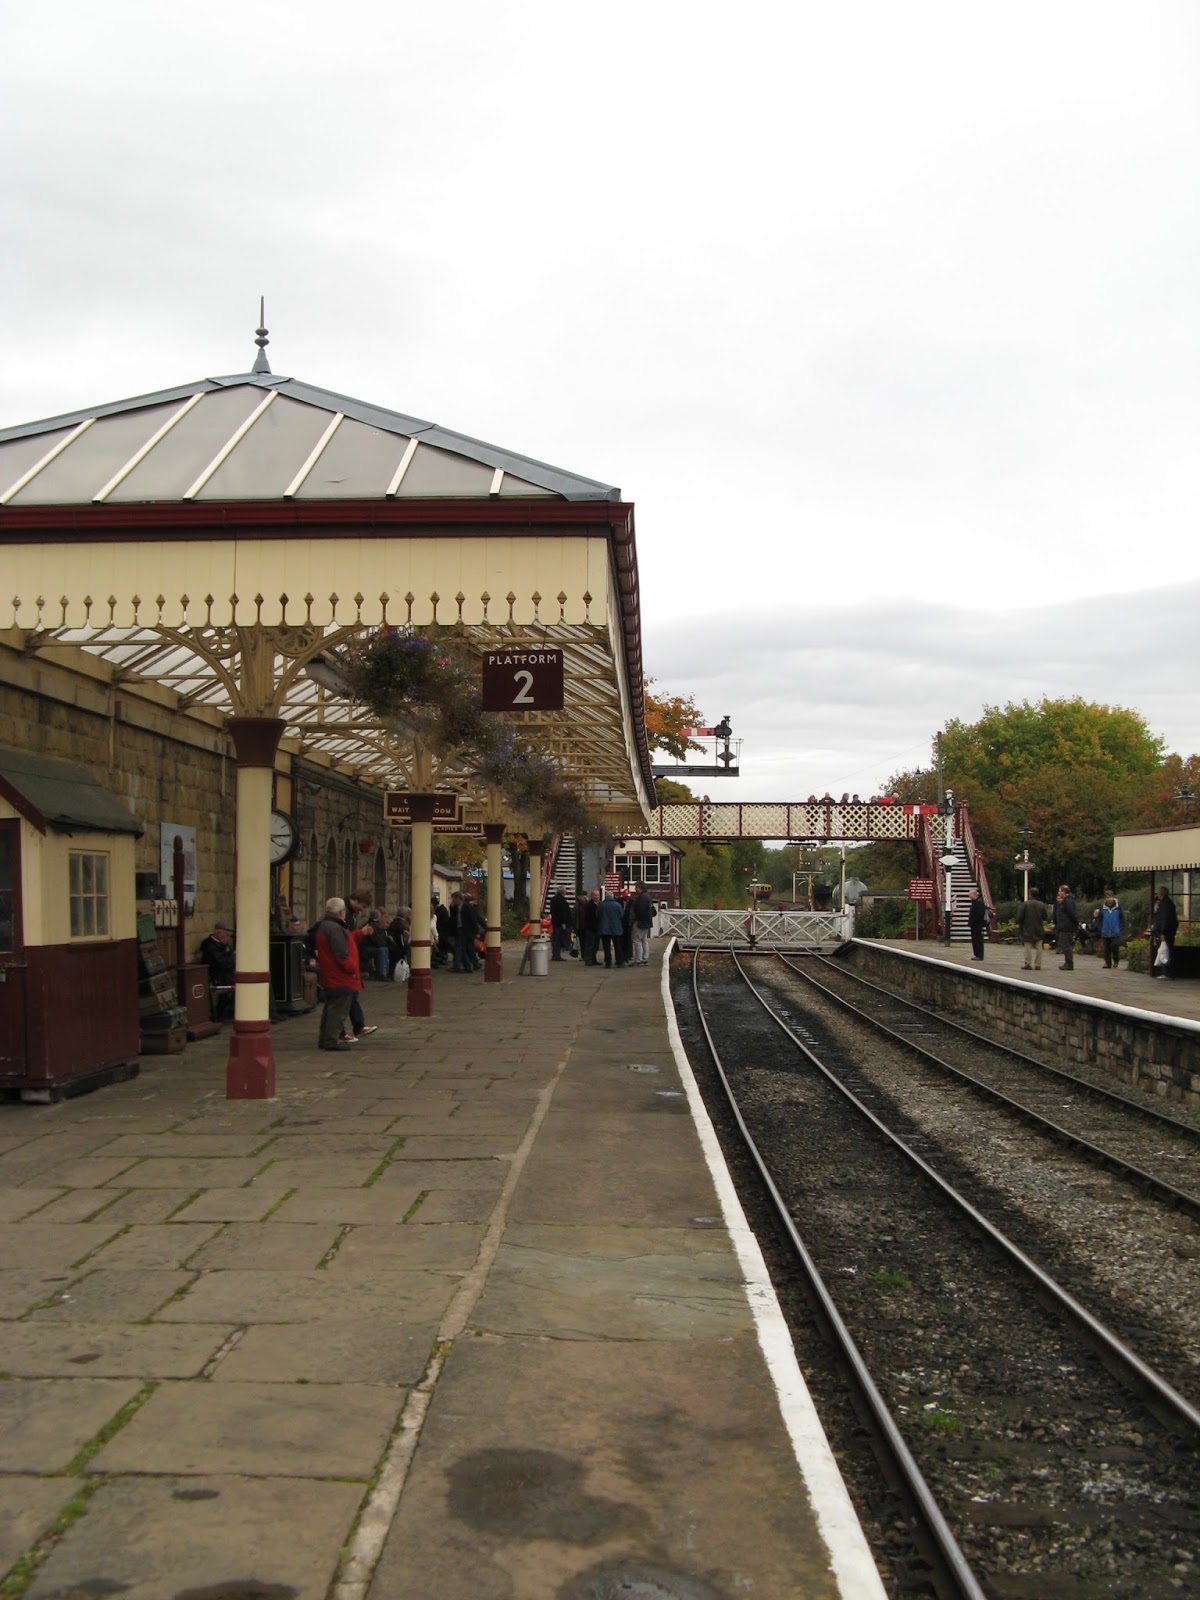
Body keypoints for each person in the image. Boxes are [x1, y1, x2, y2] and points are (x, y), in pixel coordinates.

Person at [314, 897, 366, 1050]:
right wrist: (352, 968)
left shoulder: (327, 926)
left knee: (330, 1008)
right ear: (341, 912)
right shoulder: (335, 928)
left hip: (331, 974)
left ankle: (325, 1038)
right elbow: (341, 953)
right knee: (338, 1010)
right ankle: (331, 1040)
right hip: (339, 976)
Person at [341, 891, 378, 1039]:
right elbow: (345, 939)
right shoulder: (345, 915)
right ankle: (345, 1030)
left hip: (350, 959)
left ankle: (358, 1026)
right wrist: (361, 933)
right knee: (343, 999)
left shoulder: (350, 914)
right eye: (362, 906)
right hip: (345, 961)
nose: (362, 910)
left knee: (351, 996)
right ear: (355, 900)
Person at [199, 921, 236, 1019]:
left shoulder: (226, 946)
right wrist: (233, 957)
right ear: (219, 933)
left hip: (227, 976)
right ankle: (221, 1014)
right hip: (216, 978)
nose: (228, 938)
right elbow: (222, 963)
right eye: (227, 935)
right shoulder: (209, 945)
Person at [1150, 886, 1179, 977]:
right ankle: (1166, 972)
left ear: (1161, 894)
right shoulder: (1167, 903)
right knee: (1165, 951)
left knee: (1165, 952)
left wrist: (1162, 932)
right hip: (1169, 931)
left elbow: (1164, 919)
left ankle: (1167, 972)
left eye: (1158, 893)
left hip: (1165, 932)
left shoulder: (1165, 905)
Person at [1016, 888, 1047, 971]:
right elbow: (1045, 917)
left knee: (1028, 947)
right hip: (1038, 928)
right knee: (1039, 947)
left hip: (1027, 928)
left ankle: (1028, 963)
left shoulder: (1025, 905)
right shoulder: (1041, 905)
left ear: (1030, 894)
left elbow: (1019, 917)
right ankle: (1038, 964)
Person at [1052, 884, 1079, 970]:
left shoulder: (1067, 901)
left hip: (1066, 927)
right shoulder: (1067, 901)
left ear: (1064, 892)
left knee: (1066, 946)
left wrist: (1075, 923)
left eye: (1060, 891)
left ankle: (1069, 963)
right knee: (1065, 945)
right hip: (1065, 926)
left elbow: (1071, 914)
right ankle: (1067, 962)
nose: (1059, 893)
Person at [597, 892, 626, 967]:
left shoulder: (601, 905)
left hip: (604, 928)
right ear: (612, 897)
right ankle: (619, 962)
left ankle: (608, 962)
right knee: (617, 946)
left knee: (606, 947)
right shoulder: (617, 905)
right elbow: (622, 915)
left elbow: (597, 915)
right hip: (616, 928)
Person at [630, 882, 656, 966]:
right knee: (644, 940)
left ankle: (639, 959)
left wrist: (635, 919)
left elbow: (640, 910)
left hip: (640, 922)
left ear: (639, 887)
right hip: (647, 922)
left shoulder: (642, 897)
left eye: (636, 887)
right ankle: (645, 958)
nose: (635, 889)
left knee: (637, 940)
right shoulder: (647, 896)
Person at [1098, 890, 1124, 970]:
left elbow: (1122, 918)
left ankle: (1116, 960)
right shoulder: (1103, 907)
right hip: (1105, 931)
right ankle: (1107, 962)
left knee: (1114, 946)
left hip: (1115, 931)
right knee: (1106, 948)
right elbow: (1100, 919)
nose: (1109, 899)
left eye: (1110, 897)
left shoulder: (1118, 907)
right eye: (1107, 897)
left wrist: (1120, 928)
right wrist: (1101, 929)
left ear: (1113, 897)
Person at [548, 888, 574, 961]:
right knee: (560, 938)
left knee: (555, 939)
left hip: (555, 922)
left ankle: (555, 954)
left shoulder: (553, 900)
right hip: (560, 923)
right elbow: (563, 913)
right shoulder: (562, 901)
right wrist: (564, 923)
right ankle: (557, 955)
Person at [966, 888, 988, 960]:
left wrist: (974, 921)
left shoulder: (979, 902)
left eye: (970, 894)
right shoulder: (974, 902)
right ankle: (976, 954)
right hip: (974, 924)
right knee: (974, 940)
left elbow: (980, 914)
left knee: (978, 940)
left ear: (974, 894)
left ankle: (979, 955)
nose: (969, 895)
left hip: (977, 925)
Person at [581, 889, 601, 966]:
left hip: (597, 928)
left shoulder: (599, 904)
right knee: (589, 945)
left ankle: (593, 959)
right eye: (595, 895)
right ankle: (588, 959)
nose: (596, 897)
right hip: (590, 928)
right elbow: (587, 917)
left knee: (596, 945)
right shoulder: (589, 905)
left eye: (598, 895)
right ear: (592, 896)